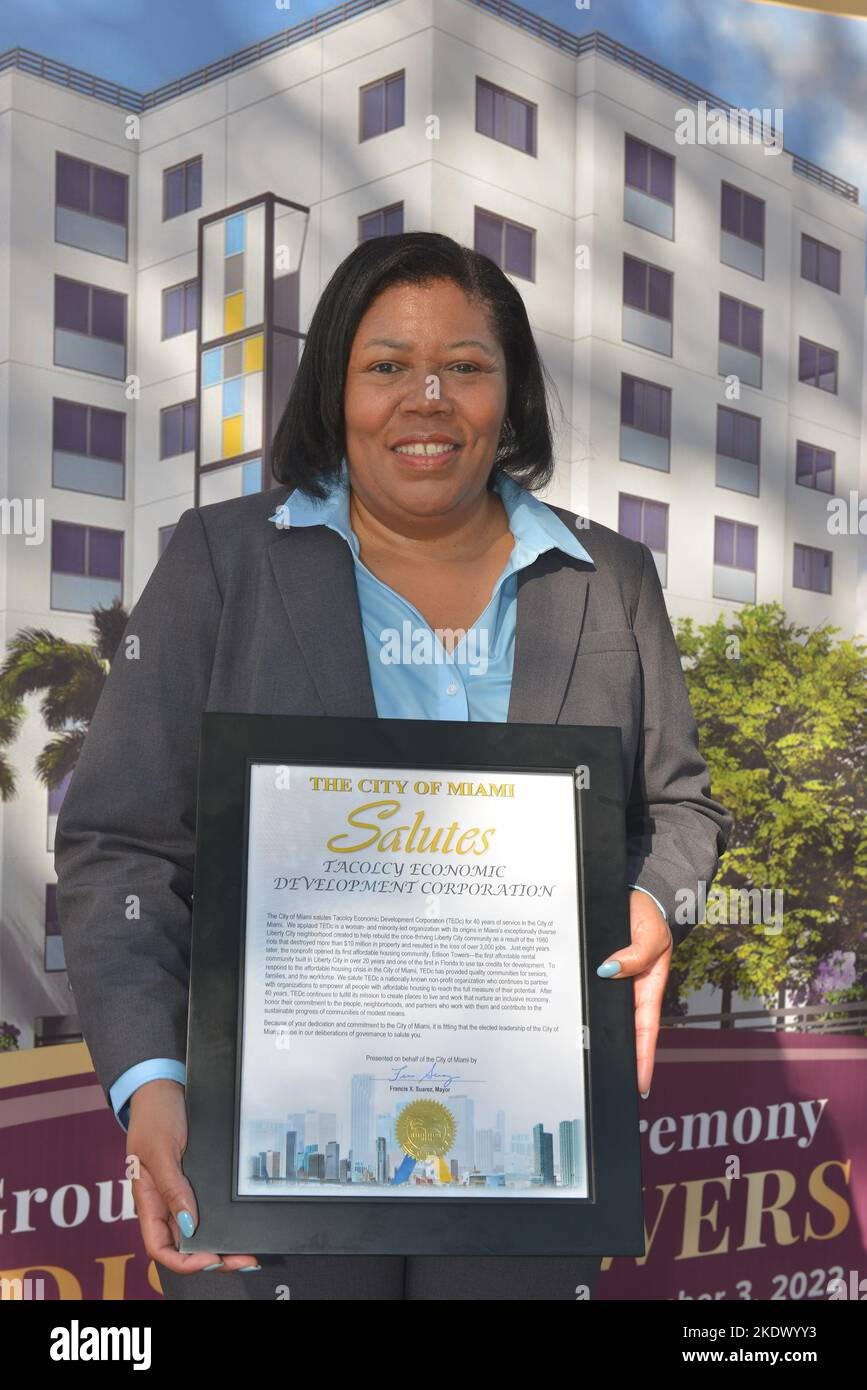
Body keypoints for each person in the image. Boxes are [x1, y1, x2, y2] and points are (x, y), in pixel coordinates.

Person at [55, 231, 732, 1301]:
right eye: (387, 366)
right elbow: (119, 848)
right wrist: (150, 1084)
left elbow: (683, 807)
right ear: (335, 389)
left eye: (466, 365)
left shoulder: (610, 578)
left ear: (511, 398)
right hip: (265, 1147)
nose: (428, 397)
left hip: (529, 1150)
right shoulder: (220, 561)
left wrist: (653, 898)